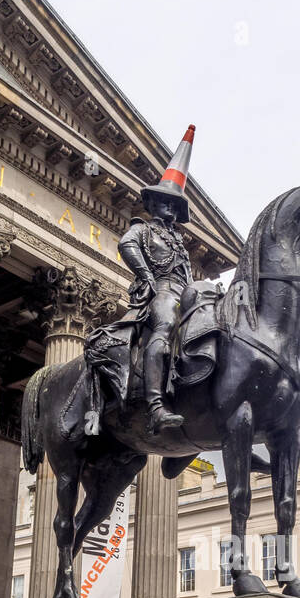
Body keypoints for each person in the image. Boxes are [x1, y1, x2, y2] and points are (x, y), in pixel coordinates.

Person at [117, 123, 197, 433]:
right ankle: (155, 406)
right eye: (166, 203)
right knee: (165, 324)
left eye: (176, 206)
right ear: (151, 204)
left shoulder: (181, 243)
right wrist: (148, 277)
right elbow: (126, 245)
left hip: (184, 294)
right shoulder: (143, 230)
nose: (171, 210)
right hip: (161, 291)